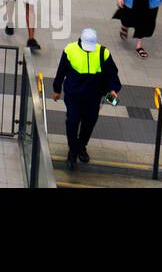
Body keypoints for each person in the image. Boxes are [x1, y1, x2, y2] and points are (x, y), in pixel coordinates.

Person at [52, 27, 122, 170]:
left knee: (89, 122)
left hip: (93, 96)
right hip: (74, 96)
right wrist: (56, 89)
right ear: (81, 41)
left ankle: (82, 146)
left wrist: (113, 89)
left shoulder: (103, 52)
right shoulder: (70, 50)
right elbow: (61, 71)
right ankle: (72, 150)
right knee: (72, 121)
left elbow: (112, 73)